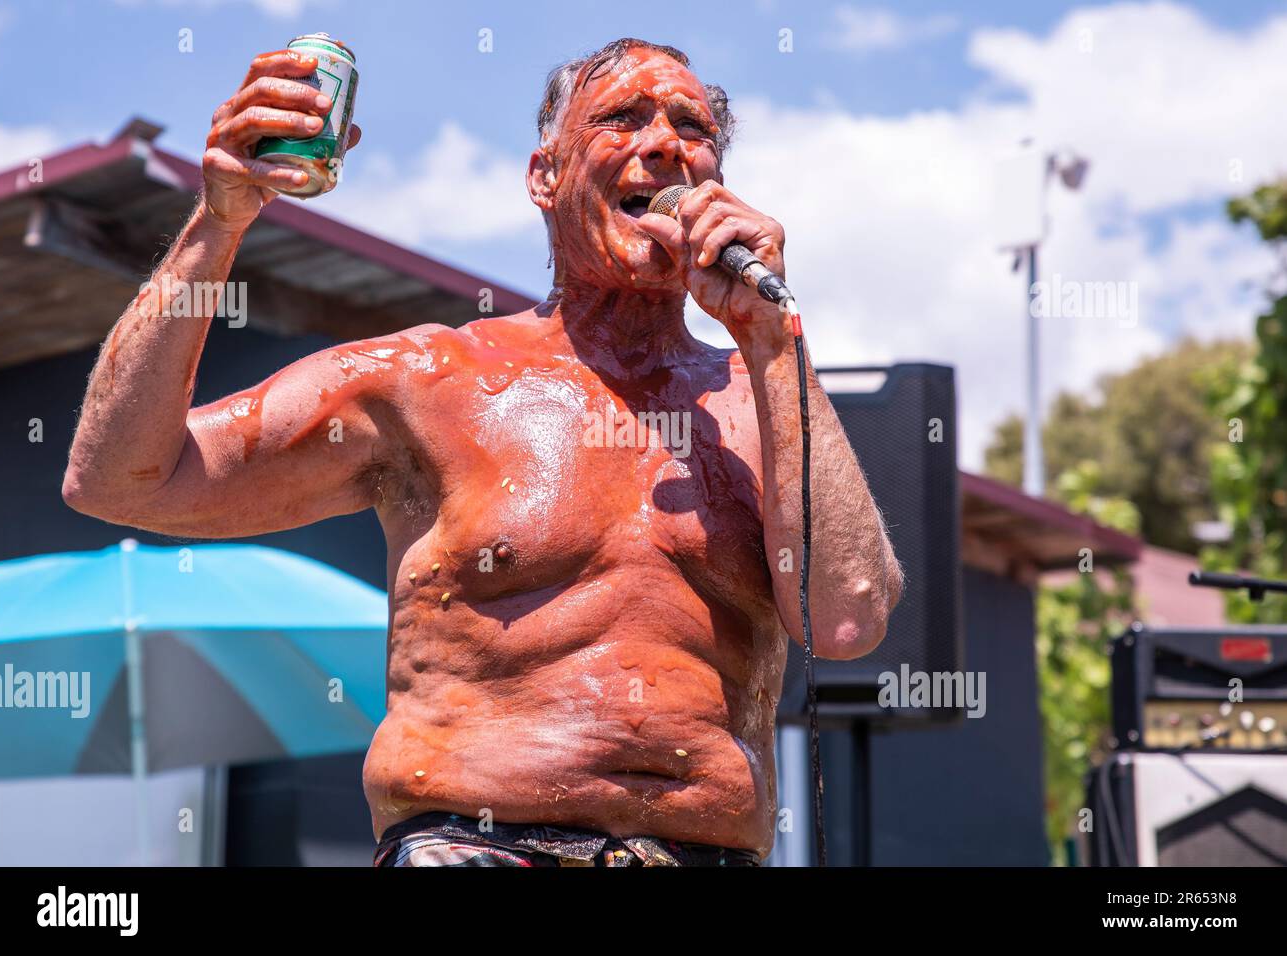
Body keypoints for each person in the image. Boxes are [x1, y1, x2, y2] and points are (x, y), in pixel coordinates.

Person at [64, 37, 902, 866]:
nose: (662, 143)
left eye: (690, 125)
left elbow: (849, 618)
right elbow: (121, 477)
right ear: (544, 177)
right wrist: (220, 220)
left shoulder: (759, 400)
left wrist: (773, 345)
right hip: (472, 844)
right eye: (621, 118)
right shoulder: (430, 380)